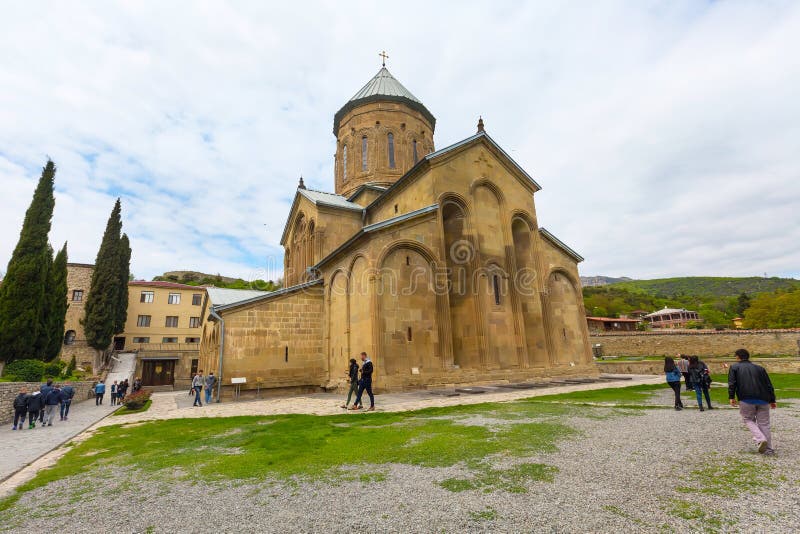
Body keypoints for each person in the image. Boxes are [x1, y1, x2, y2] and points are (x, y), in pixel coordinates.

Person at [728, 348, 777, 455]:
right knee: (764, 424)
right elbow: (769, 384)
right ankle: (769, 449)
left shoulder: (734, 367)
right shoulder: (760, 368)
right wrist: (772, 399)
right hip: (764, 399)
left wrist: (731, 397)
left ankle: (760, 438)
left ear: (737, 357)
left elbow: (732, 383)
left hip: (746, 398)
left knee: (748, 419)